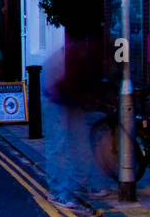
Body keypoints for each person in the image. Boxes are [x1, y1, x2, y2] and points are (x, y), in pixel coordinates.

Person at [40, 37, 108, 208]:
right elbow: (64, 87)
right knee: (58, 145)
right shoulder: (74, 61)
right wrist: (87, 99)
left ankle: (83, 182)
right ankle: (57, 192)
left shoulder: (89, 58)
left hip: (70, 93)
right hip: (55, 95)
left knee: (80, 141)